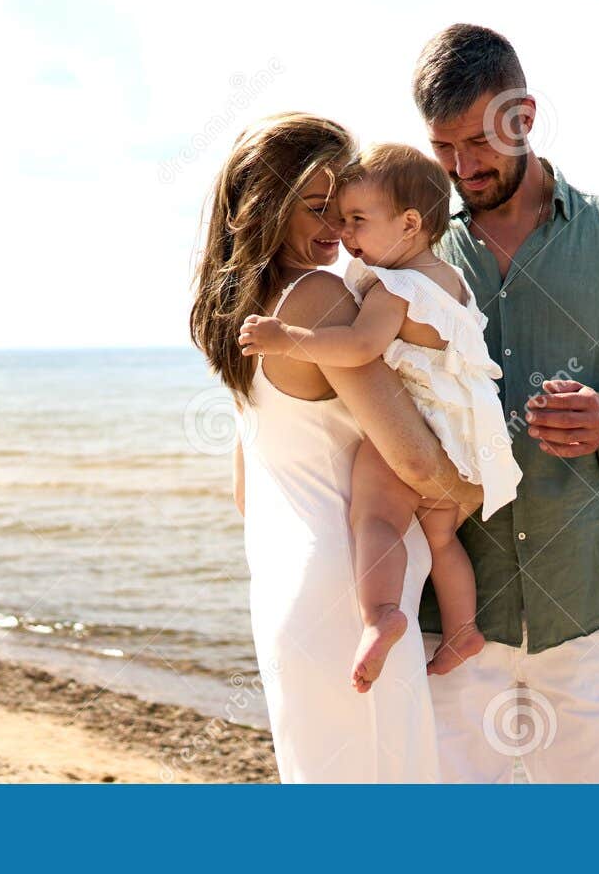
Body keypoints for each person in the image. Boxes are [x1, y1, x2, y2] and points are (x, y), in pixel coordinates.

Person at [411, 24, 599, 783]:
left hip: (586, 606)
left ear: (524, 116)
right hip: (451, 620)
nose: (462, 168)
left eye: (478, 142)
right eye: (443, 148)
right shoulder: (417, 254)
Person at [189, 112, 480, 783]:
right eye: (315, 207)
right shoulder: (317, 297)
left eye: (343, 208)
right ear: (268, 206)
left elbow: (245, 491)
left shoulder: (242, 313)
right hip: (353, 595)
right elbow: (413, 459)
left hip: (285, 583)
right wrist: (477, 488)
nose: (336, 228)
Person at [238, 143, 522, 691]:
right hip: (467, 433)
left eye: (356, 220)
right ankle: (464, 629)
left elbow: (359, 347)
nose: (344, 233)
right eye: (336, 218)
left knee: (377, 520)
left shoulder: (394, 288)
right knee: (442, 540)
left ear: (409, 223)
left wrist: (288, 338)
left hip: (424, 426)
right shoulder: (454, 281)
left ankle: (381, 614)